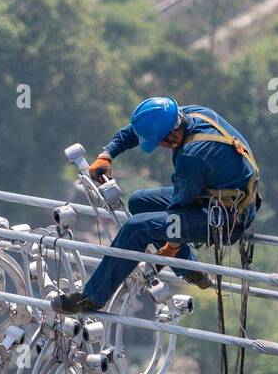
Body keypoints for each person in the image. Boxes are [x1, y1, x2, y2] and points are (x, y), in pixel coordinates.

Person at [54, 97, 261, 313]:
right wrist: (108, 154)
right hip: (211, 195)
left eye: (160, 142)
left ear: (173, 135)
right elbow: (138, 129)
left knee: (136, 228)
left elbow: (178, 210)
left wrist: (170, 248)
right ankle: (189, 268)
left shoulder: (192, 156)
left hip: (226, 218)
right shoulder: (190, 114)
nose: (160, 147)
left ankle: (92, 298)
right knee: (139, 202)